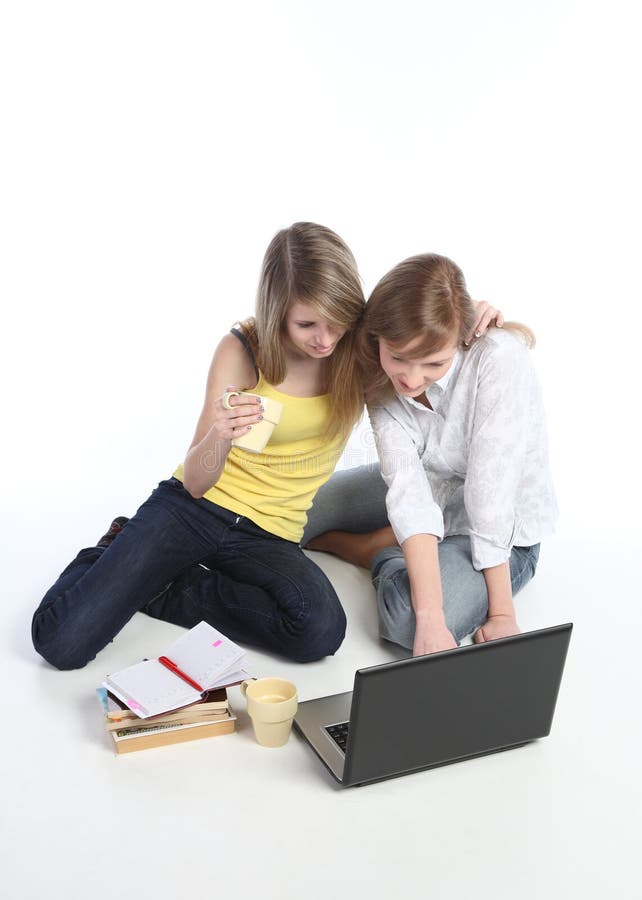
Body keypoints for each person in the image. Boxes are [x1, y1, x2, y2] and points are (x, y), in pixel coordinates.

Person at [32, 222, 368, 669]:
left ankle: (165, 586)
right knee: (61, 643)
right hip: (193, 508)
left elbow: (433, 344)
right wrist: (220, 434)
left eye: (336, 322)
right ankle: (110, 552)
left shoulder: (360, 350)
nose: (325, 339)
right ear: (277, 311)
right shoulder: (244, 349)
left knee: (318, 630)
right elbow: (194, 481)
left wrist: (490, 321)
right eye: (306, 324)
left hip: (270, 532)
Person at [303, 253, 557, 657]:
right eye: (398, 357)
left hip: (502, 534)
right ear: (378, 337)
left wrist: (499, 614)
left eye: (434, 363)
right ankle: (401, 543)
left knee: (407, 620)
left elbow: (490, 497)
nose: (411, 378)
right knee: (296, 511)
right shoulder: (375, 370)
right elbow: (408, 491)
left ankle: (382, 552)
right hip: (431, 482)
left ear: (459, 338)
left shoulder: (498, 359)